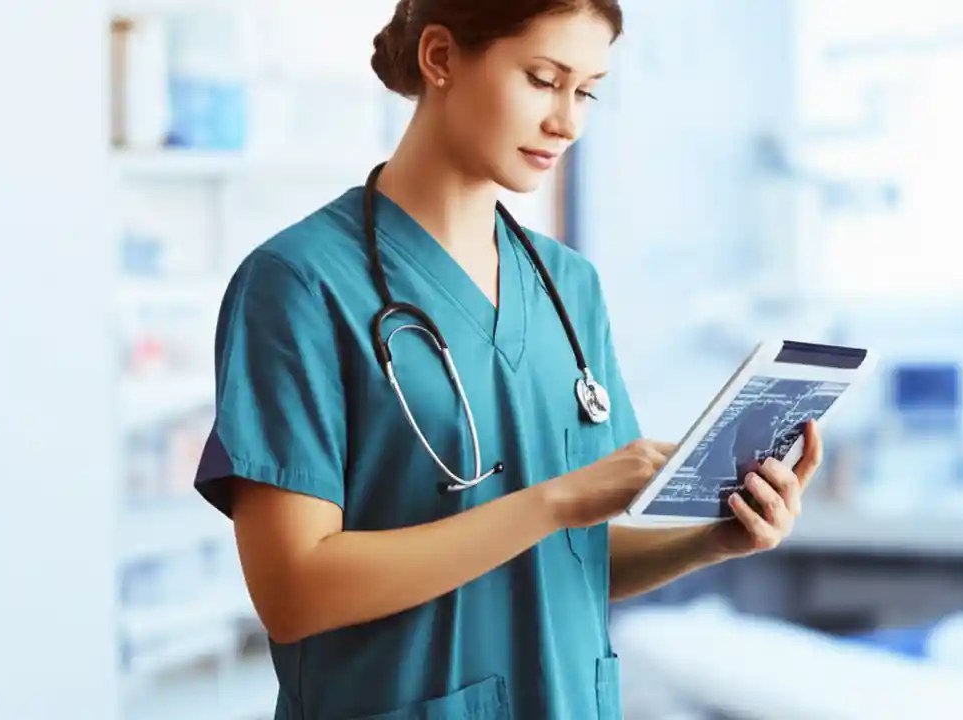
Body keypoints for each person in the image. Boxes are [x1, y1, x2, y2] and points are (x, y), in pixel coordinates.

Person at [192, 0, 824, 717]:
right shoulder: (301, 284)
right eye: (542, 79)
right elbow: (294, 592)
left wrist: (712, 540)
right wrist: (555, 501)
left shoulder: (569, 288)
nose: (568, 121)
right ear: (440, 59)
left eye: (585, 90)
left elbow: (574, 556)